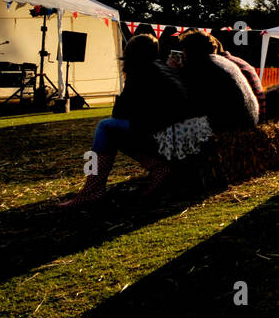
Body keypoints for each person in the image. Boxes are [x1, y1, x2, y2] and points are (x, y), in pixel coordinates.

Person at [59, 34, 189, 207]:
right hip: (176, 131)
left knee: (106, 127)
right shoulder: (161, 69)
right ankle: (157, 166)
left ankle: (93, 189)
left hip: (163, 132)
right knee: (118, 130)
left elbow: (120, 112)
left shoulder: (142, 71)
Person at [179, 30, 258, 132]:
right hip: (250, 121)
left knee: (173, 127)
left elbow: (187, 98)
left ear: (190, 50)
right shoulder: (222, 61)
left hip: (231, 127)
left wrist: (174, 70)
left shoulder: (199, 64)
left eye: (184, 49)